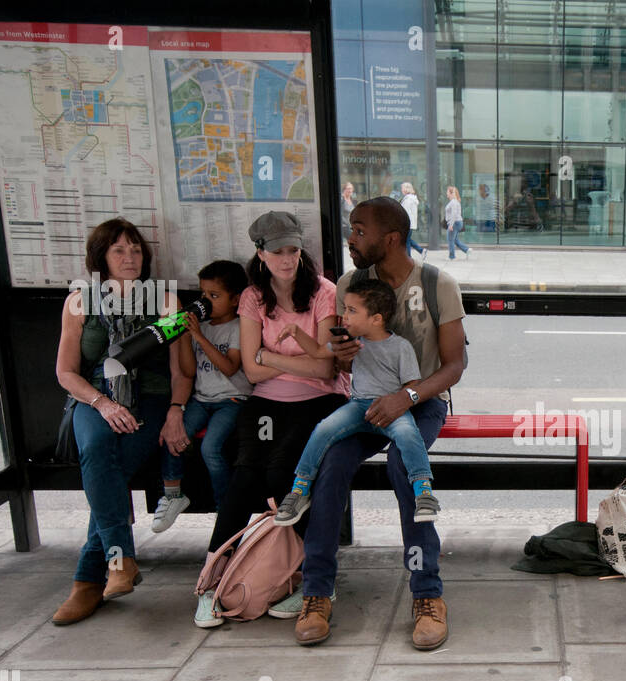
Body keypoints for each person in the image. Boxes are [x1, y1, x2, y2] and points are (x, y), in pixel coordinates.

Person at [294, 197, 467, 649]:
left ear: (390, 239)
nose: (351, 239)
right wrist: (342, 356)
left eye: (359, 230)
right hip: (365, 402)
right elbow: (337, 358)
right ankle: (316, 591)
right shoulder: (350, 284)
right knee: (331, 465)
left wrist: (405, 397)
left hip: (421, 401)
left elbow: (454, 365)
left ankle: (427, 593)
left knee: (401, 467)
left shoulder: (437, 284)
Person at [193, 211, 348, 628]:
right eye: (277, 251)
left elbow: (326, 371)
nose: (287, 259)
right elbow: (250, 371)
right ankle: (211, 580)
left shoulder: (323, 292)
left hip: (318, 401)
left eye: (293, 250)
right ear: (260, 253)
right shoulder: (252, 298)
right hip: (265, 402)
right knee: (244, 478)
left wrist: (268, 356)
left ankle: (316, 579)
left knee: (284, 474)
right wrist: (282, 361)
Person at [51, 218, 190, 625]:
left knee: (112, 470)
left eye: (135, 249)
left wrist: (175, 411)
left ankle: (90, 578)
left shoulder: (166, 303)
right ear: (102, 258)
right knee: (96, 448)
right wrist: (102, 404)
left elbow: (181, 373)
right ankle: (119, 562)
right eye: (119, 250)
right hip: (93, 400)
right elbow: (65, 373)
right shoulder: (80, 301)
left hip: (148, 400)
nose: (130, 257)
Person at [273, 277, 440, 527]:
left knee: (408, 434)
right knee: (323, 429)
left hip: (390, 408)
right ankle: (299, 490)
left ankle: (423, 491)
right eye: (345, 309)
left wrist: (399, 401)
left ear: (376, 318)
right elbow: (319, 352)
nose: (344, 316)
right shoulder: (350, 342)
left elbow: (412, 384)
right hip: (357, 406)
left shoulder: (400, 347)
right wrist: (296, 333)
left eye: (352, 310)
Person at [151, 259, 252, 530]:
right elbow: (187, 369)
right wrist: (185, 335)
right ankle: (173, 494)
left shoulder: (239, 326)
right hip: (202, 399)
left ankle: (225, 509)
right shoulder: (202, 326)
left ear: (235, 299)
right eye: (203, 295)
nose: (206, 302)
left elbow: (230, 367)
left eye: (214, 296)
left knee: (211, 448)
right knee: (171, 435)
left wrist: (200, 337)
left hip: (231, 400)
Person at [400, 182, 426, 259]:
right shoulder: (410, 199)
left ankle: (408, 257)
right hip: (410, 224)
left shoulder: (408, 200)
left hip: (407, 224)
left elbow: (405, 213)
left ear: (405, 189)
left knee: (406, 241)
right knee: (407, 239)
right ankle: (421, 251)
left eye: (402, 188)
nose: (401, 190)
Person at [444, 185, 471, 259]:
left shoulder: (453, 202)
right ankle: (467, 250)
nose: (446, 193)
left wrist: (451, 225)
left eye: (447, 192)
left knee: (450, 240)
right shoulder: (454, 202)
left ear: (451, 193)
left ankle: (452, 257)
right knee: (454, 240)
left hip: (455, 223)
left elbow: (454, 214)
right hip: (456, 222)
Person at [340, 182, 356, 248]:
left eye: (351, 188)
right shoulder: (341, 199)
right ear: (344, 189)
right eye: (348, 188)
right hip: (344, 226)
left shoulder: (352, 199)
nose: (350, 190)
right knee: (354, 241)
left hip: (351, 225)